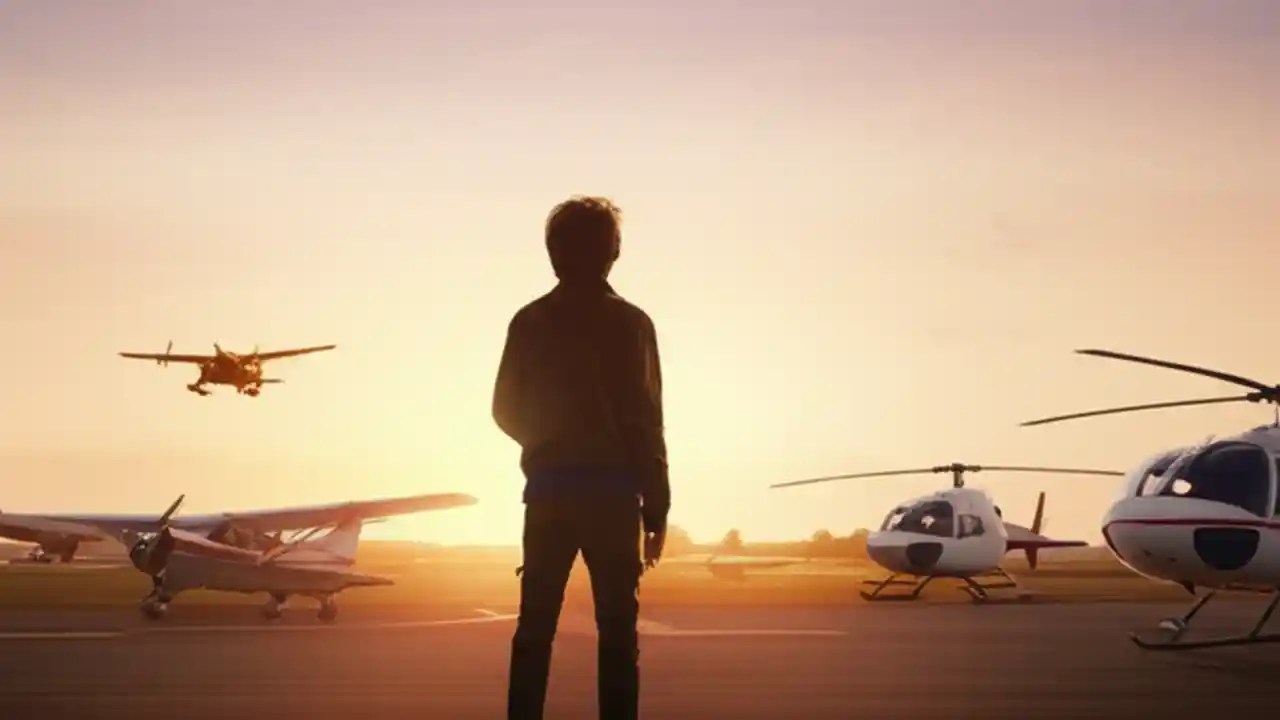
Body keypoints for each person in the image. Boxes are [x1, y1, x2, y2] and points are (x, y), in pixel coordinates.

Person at [493, 195, 670, 720]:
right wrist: (655, 510)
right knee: (617, 632)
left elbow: (504, 409)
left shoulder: (528, 321)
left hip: (547, 496)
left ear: (554, 253)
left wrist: (546, 444)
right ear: (612, 251)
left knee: (534, 630)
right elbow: (646, 421)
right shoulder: (632, 324)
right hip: (613, 500)